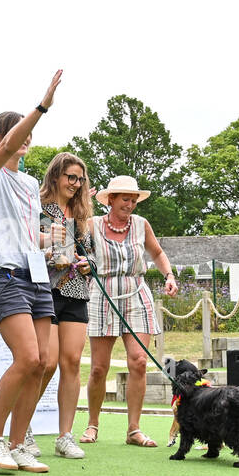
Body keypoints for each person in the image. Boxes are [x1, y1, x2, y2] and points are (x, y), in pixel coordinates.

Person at [0, 71, 63, 473]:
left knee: (44, 362)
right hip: (2, 277)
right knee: (26, 357)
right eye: (17, 133)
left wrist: (50, 239)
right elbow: (9, 142)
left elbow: (27, 237)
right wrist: (41, 106)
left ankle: (17, 443)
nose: (26, 138)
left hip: (35, 276)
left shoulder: (28, 183)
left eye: (29, 131)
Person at [84, 175, 179, 447]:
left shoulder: (141, 225)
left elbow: (158, 253)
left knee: (138, 361)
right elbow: (69, 238)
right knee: (99, 368)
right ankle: (92, 425)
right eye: (125, 198)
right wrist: (82, 208)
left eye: (134, 199)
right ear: (110, 199)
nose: (131, 204)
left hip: (136, 292)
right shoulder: (92, 225)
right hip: (102, 294)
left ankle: (134, 430)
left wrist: (169, 275)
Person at [36, 152, 94, 459]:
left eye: (80, 179)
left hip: (76, 291)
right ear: (56, 176)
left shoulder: (82, 214)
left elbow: (93, 255)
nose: (75, 184)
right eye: (70, 177)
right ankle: (23, 430)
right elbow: (28, 245)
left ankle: (65, 436)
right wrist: (50, 253)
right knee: (45, 363)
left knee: (71, 362)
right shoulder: (38, 207)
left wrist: (88, 264)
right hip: (45, 289)